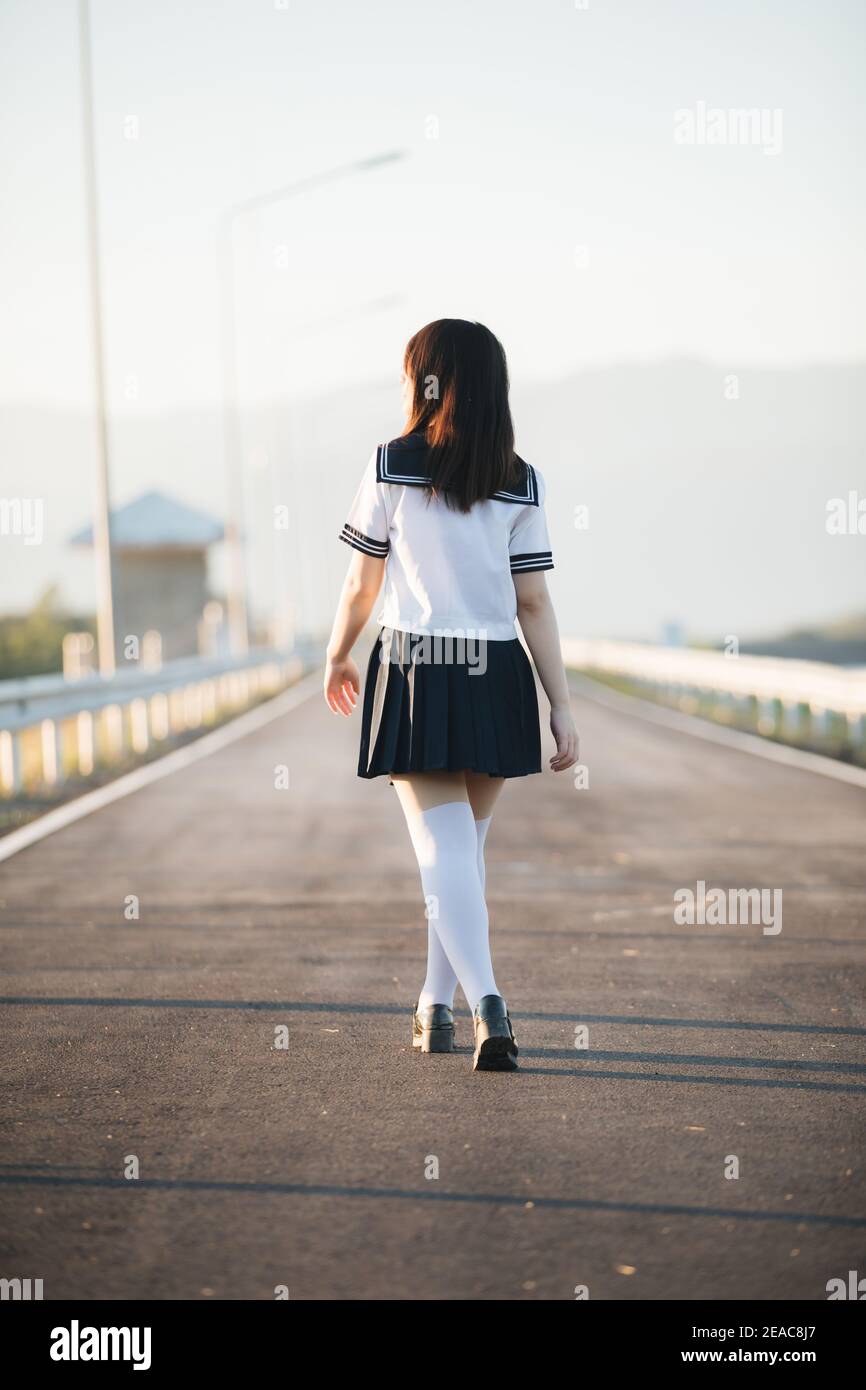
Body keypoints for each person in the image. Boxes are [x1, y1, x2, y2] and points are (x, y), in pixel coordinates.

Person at [324, 319, 578, 1071]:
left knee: (445, 852)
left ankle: (486, 1006)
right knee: (459, 854)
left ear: (425, 379)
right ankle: (434, 1007)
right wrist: (558, 701)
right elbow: (533, 602)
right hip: (496, 672)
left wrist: (338, 653)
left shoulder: (390, 464)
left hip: (418, 667)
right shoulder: (519, 477)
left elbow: (360, 580)